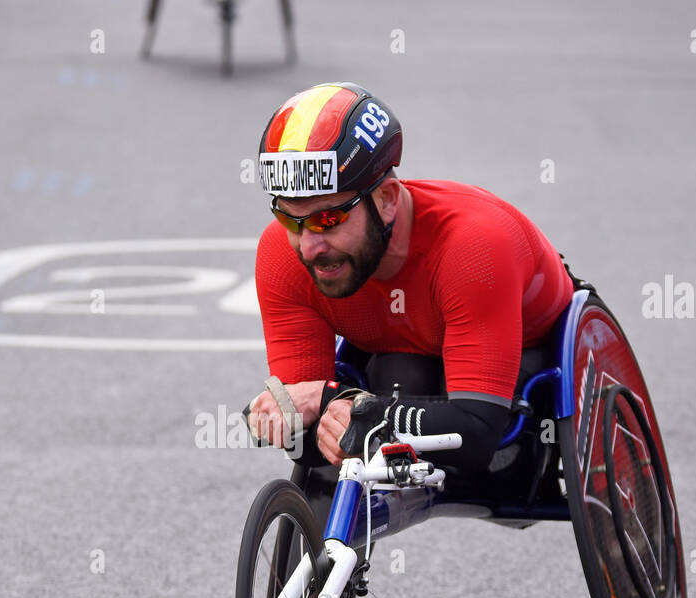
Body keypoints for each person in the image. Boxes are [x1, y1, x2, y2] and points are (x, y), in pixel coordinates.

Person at [246, 81, 576, 477]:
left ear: (386, 200)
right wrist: (284, 419)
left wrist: (342, 402)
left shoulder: (473, 247)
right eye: (289, 218)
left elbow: (477, 433)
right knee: (393, 380)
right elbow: (310, 440)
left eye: (328, 219)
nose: (310, 247)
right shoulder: (282, 254)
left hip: (526, 364)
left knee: (495, 456)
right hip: (399, 365)